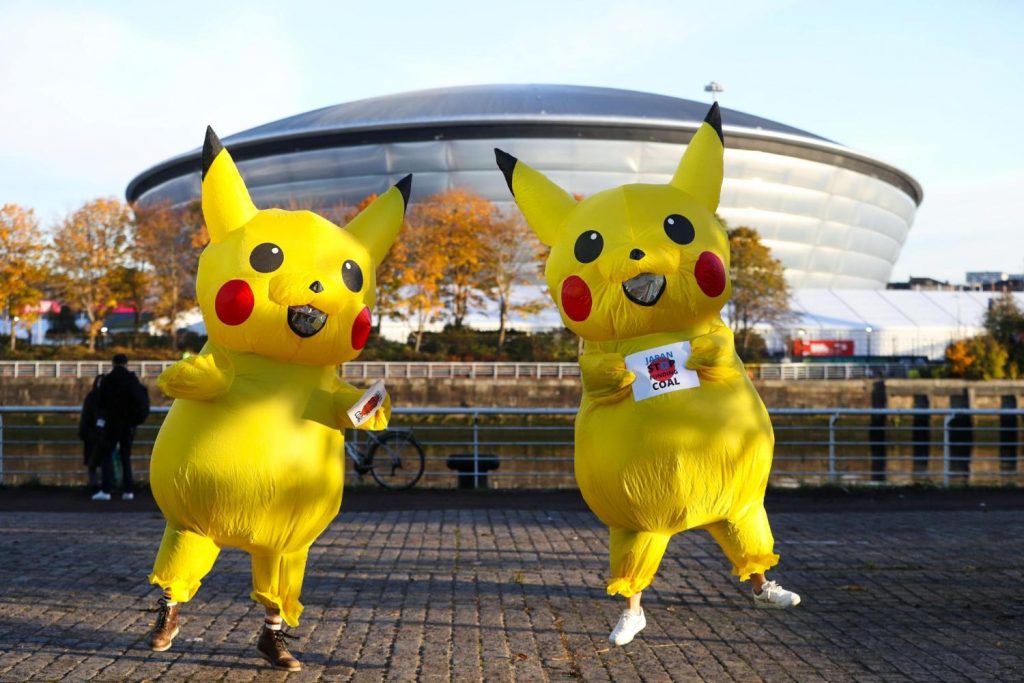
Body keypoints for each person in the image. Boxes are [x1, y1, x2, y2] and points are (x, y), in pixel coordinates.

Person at [91, 353, 150, 501]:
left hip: (111, 424)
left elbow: (100, 403)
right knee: (125, 456)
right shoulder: (132, 380)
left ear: (113, 363)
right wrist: (135, 420)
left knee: (106, 455)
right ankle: (128, 491)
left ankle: (106, 490)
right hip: (128, 425)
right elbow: (141, 401)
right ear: (126, 363)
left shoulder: (107, 380)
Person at [78, 375, 104, 493]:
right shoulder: (109, 397)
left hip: (92, 434)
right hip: (99, 434)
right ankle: (102, 484)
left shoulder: (91, 397)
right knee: (101, 461)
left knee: (92, 462)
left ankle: (94, 484)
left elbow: (85, 416)